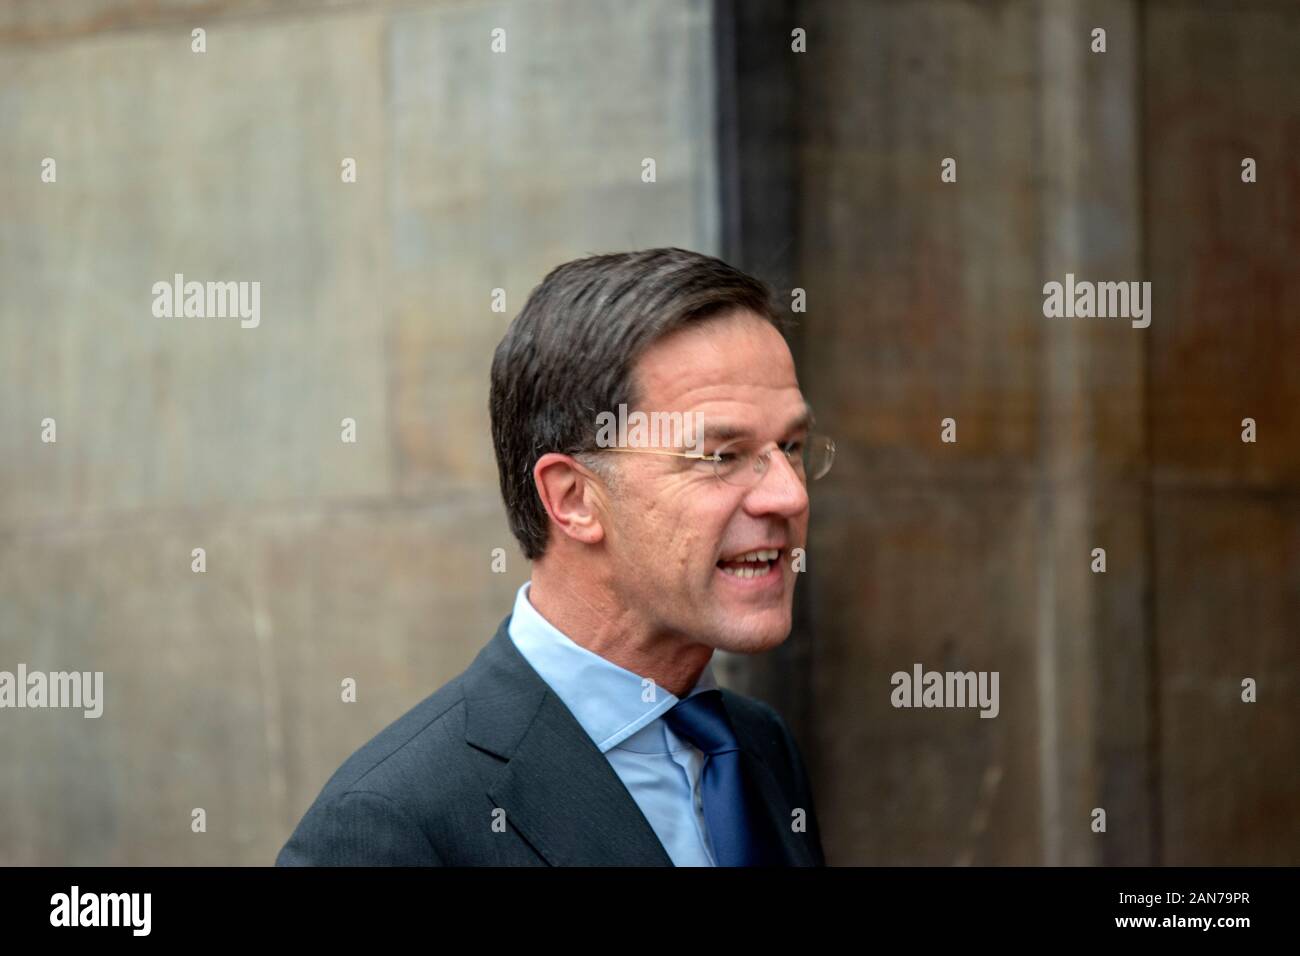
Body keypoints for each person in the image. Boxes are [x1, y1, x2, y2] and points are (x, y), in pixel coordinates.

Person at [277, 247, 832, 866]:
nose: (789, 493)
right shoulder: (386, 828)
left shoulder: (759, 747)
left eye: (791, 446)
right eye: (720, 457)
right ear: (574, 499)